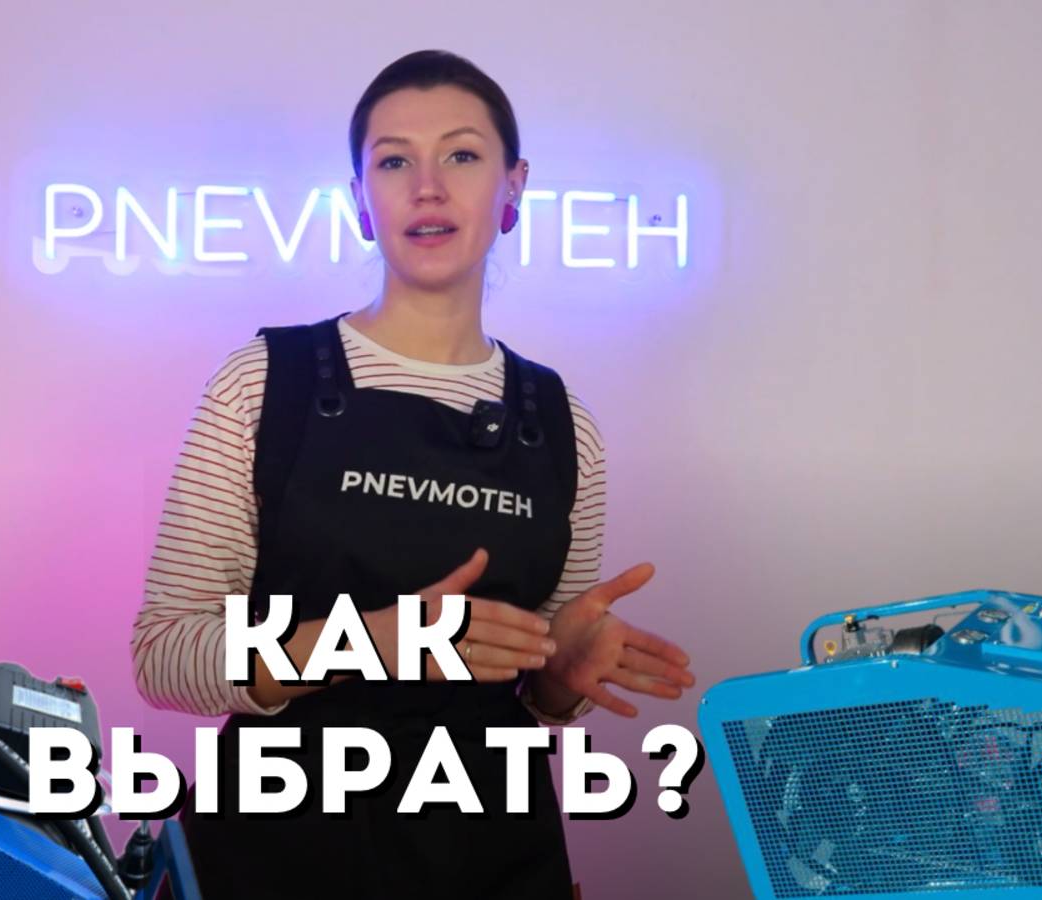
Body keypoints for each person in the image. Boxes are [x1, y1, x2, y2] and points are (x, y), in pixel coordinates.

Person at [131, 49, 695, 900]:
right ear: (362, 201)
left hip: (490, 858)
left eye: (462, 155)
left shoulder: (563, 423)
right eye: (394, 162)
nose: (427, 188)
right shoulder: (265, 383)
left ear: (513, 188)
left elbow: (534, 698)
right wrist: (368, 641)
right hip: (278, 856)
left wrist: (560, 676)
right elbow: (165, 653)